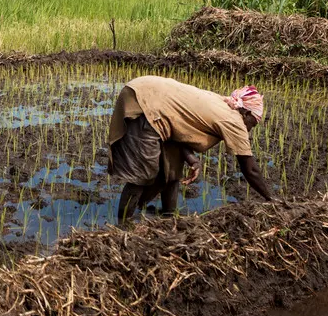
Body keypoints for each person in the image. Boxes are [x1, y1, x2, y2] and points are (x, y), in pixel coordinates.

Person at [106, 75, 273, 223]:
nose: (251, 128)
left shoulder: (222, 103)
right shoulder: (234, 121)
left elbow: (181, 127)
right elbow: (250, 169)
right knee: (142, 175)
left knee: (172, 170)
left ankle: (168, 216)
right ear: (246, 113)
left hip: (147, 91)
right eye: (253, 123)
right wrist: (271, 199)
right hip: (145, 102)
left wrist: (192, 160)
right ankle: (123, 224)